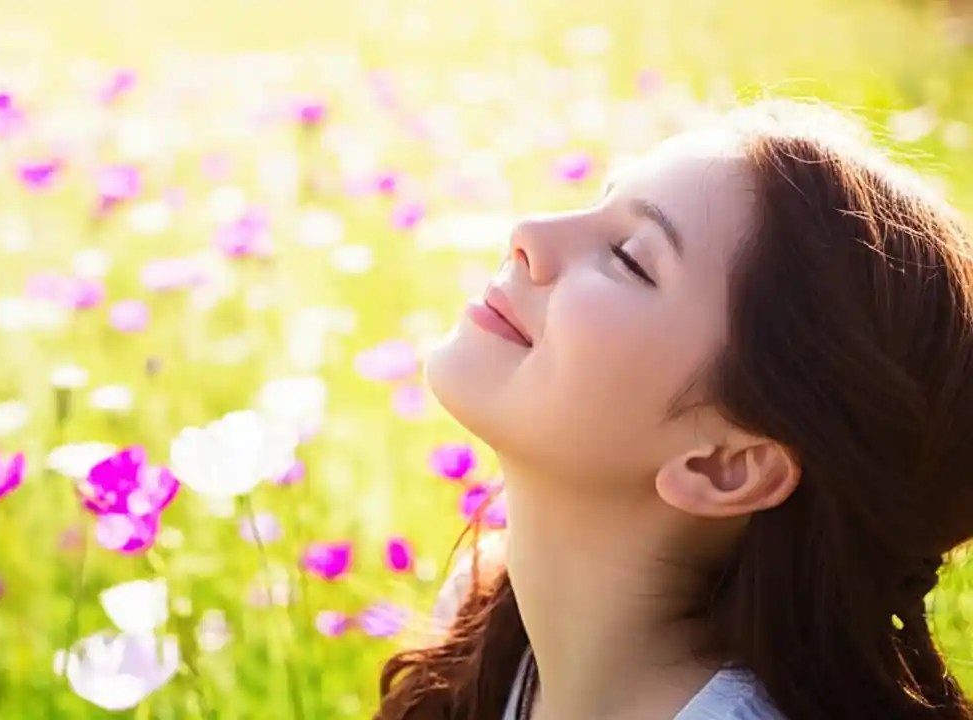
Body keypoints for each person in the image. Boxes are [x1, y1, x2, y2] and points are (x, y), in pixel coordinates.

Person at [374, 99, 973, 720]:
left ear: (728, 465)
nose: (529, 232)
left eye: (628, 258)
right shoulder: (485, 631)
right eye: (599, 202)